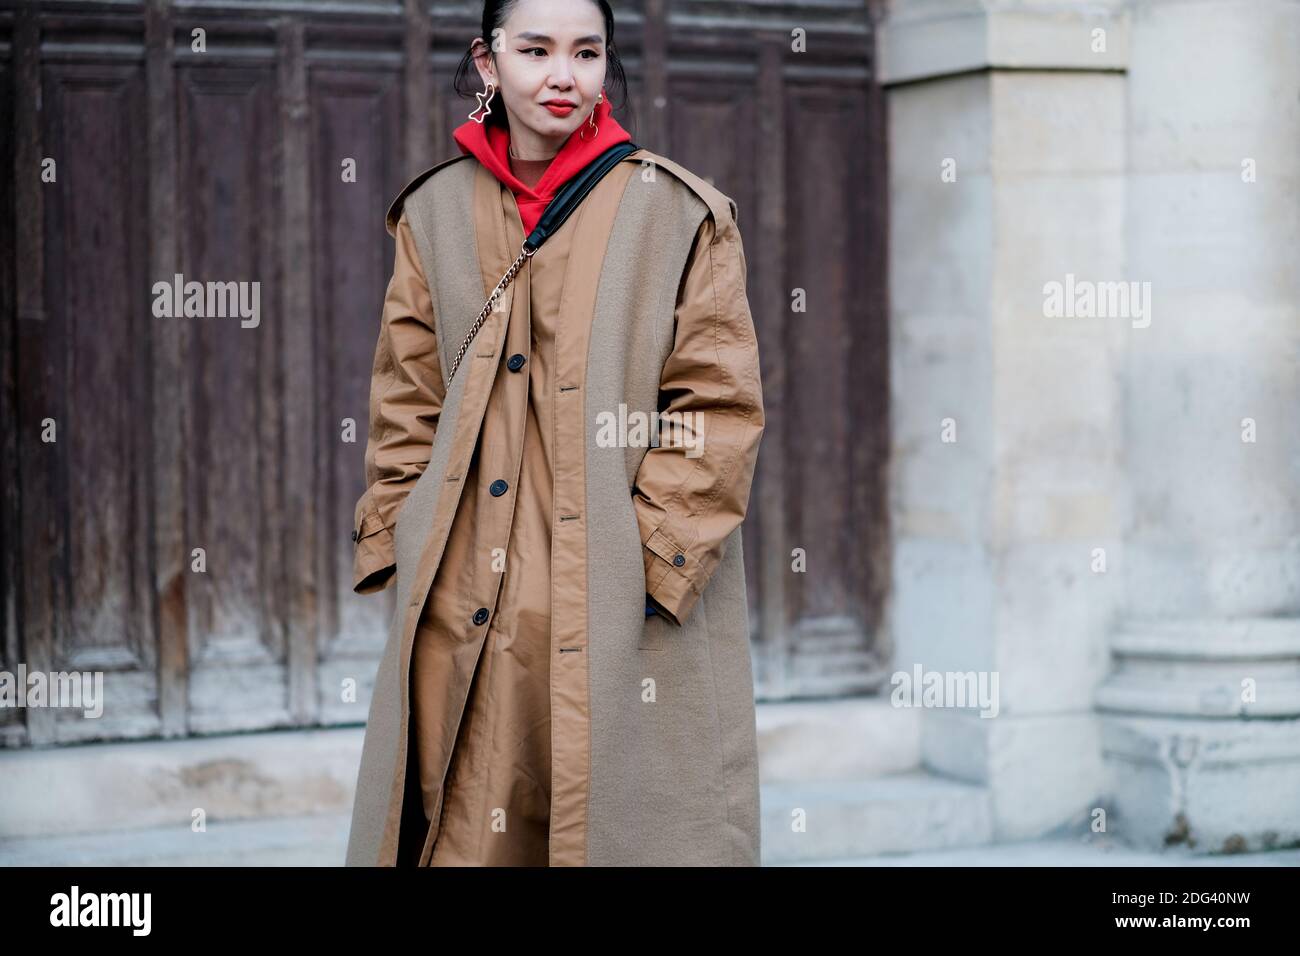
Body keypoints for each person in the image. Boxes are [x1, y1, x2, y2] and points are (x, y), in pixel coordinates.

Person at [344, 0, 766, 867]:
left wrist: (655, 563)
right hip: (461, 593)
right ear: (488, 61)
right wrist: (400, 534)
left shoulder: (677, 211)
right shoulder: (432, 211)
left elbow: (717, 405)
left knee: (614, 829)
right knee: (464, 825)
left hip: (615, 595)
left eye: (586, 52)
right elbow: (405, 396)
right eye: (535, 51)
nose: (563, 76)